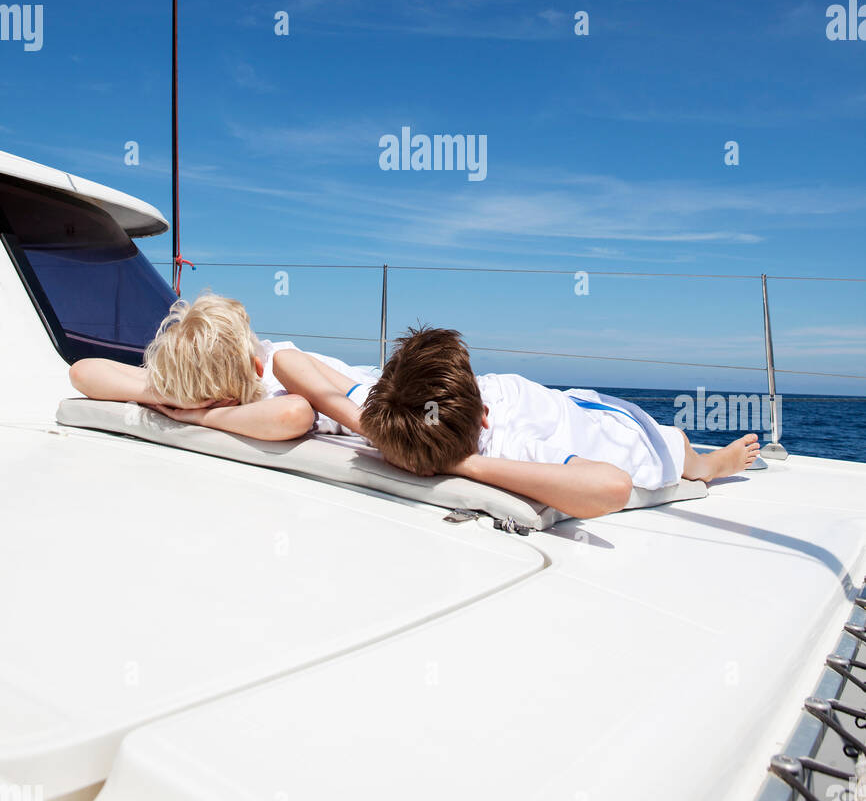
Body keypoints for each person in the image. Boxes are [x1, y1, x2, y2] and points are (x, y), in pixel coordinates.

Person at [357, 325, 761, 520]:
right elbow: (613, 486)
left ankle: (709, 463)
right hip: (619, 434)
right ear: (483, 417)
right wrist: (465, 465)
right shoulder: (510, 445)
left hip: (586, 413)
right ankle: (714, 463)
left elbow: (294, 360)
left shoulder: (401, 414)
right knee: (684, 450)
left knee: (679, 450)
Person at [69, 293, 379, 444]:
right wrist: (183, 402)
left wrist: (190, 409)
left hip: (365, 381)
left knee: (285, 359)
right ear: (256, 366)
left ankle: (376, 427)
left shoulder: (274, 378)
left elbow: (81, 371)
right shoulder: (199, 391)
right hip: (364, 385)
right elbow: (82, 372)